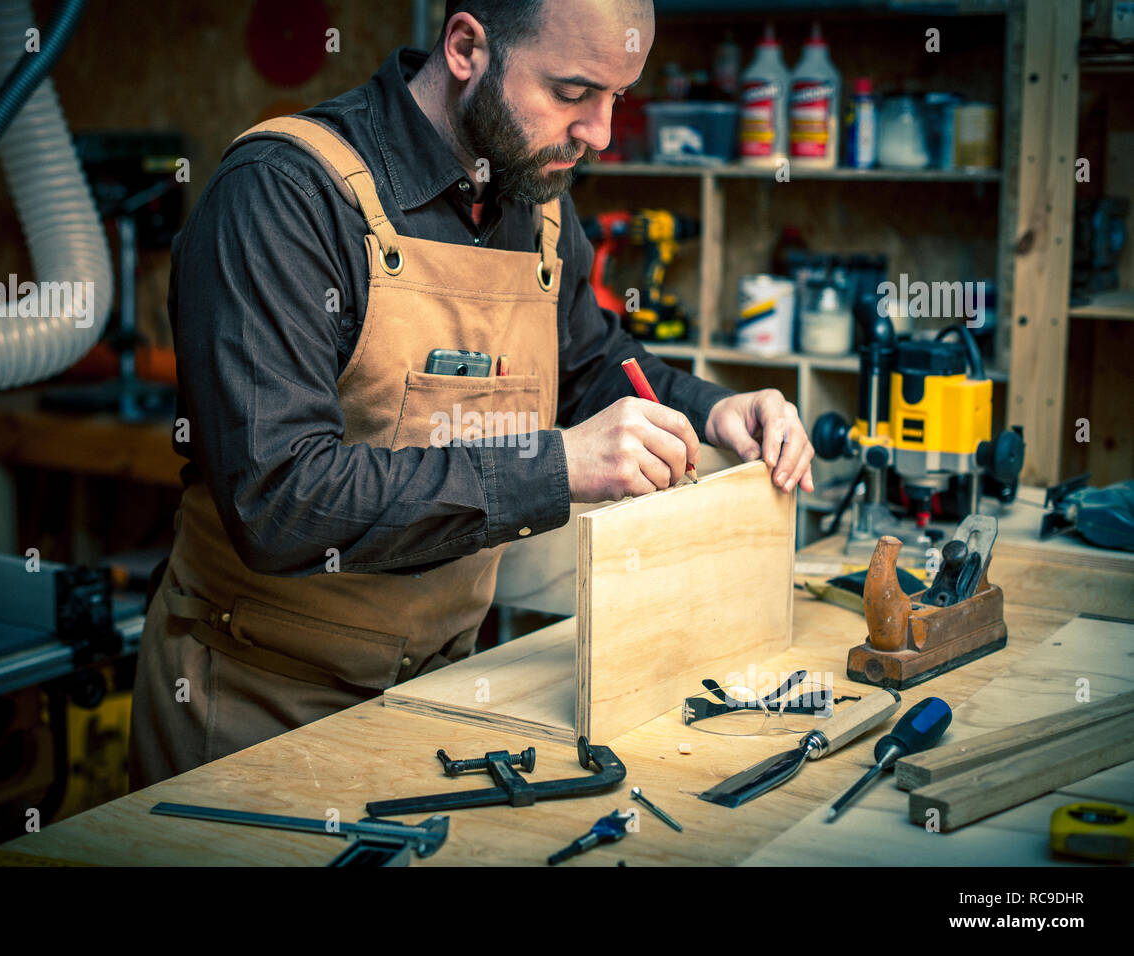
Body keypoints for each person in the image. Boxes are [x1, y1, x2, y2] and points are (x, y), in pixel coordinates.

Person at [128, 0, 814, 789]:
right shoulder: (284, 195)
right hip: (253, 699)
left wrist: (712, 410)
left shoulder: (535, 192)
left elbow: (590, 367)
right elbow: (278, 502)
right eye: (572, 92)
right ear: (465, 48)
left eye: (616, 98)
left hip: (442, 693)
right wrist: (555, 468)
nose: (601, 132)